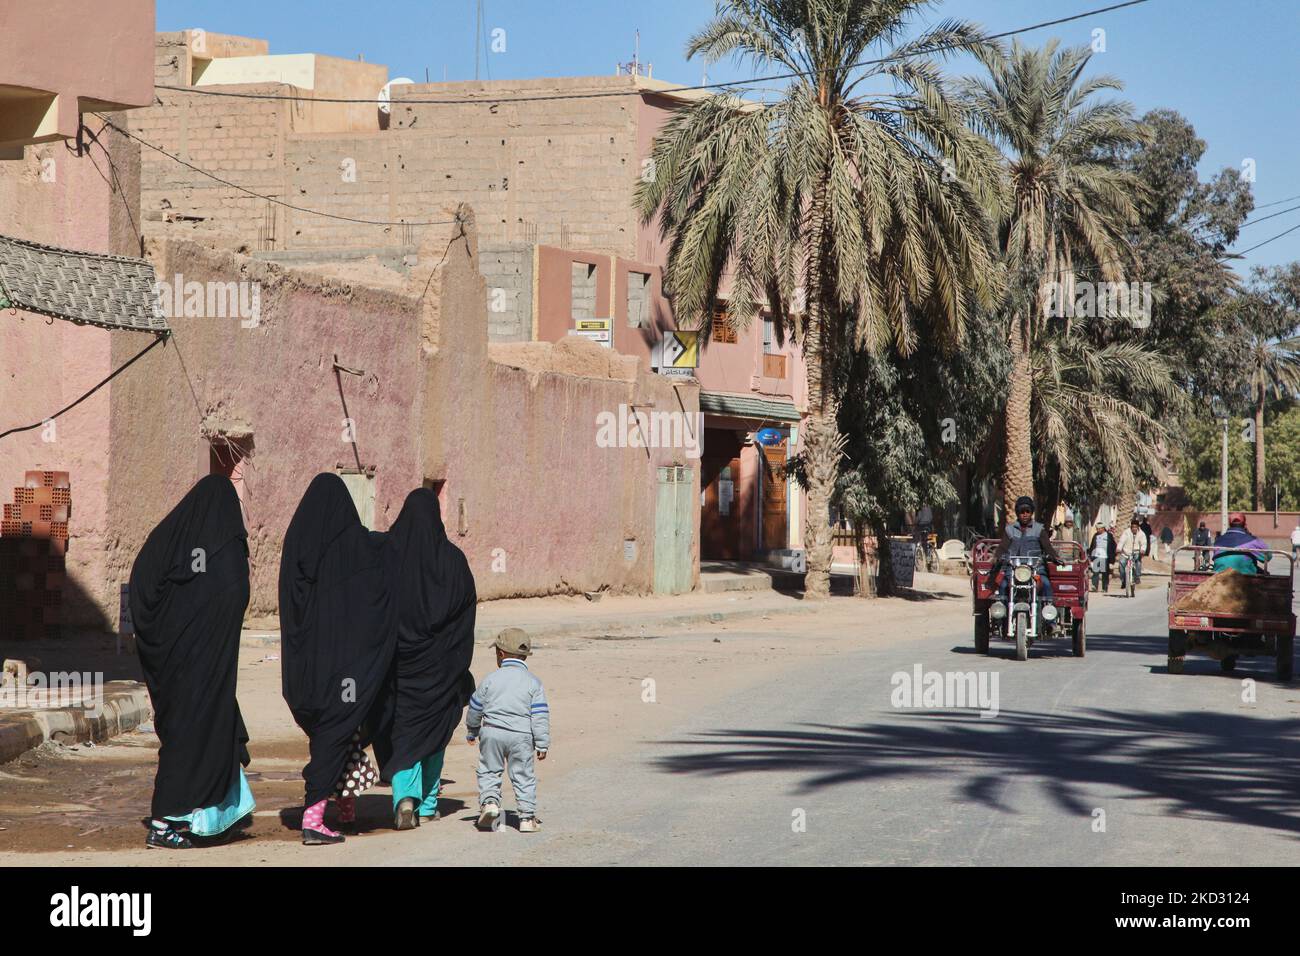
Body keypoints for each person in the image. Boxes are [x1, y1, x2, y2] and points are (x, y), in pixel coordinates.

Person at [129, 475, 255, 850]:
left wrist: (160, 640)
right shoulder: (225, 553)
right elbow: (234, 599)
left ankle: (213, 816)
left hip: (176, 668)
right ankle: (163, 821)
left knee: (211, 732)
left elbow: (143, 586)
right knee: (194, 738)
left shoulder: (170, 540)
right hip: (207, 671)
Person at [279, 474, 396, 846]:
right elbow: (380, 576)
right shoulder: (354, 546)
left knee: (335, 733)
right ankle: (314, 819)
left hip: (306, 666)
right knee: (338, 731)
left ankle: (345, 808)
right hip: (347, 668)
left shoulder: (297, 545)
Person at [373, 488, 477, 831]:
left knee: (403, 733)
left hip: (400, 667)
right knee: (435, 732)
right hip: (442, 669)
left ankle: (405, 798)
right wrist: (457, 662)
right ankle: (429, 803)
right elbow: (466, 616)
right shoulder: (454, 561)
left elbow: (374, 607)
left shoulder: (388, 556)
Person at [466, 628, 550, 833]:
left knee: (489, 769)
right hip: (522, 736)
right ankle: (527, 819)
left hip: (492, 732)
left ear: (501, 654)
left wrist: (472, 730)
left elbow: (475, 708)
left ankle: (491, 804)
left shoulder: (490, 679)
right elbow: (539, 716)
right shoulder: (534, 682)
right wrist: (542, 743)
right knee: (523, 775)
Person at [986, 496, 1062, 607]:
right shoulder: (1009, 529)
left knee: (1046, 584)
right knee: (1003, 586)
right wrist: (996, 557)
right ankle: (1002, 619)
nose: (1025, 514)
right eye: (1022, 512)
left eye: (1028, 511)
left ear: (1031, 512)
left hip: (1035, 570)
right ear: (1017, 513)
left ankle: (1050, 619)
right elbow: (1002, 547)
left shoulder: (1039, 529)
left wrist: (1056, 557)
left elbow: (1047, 547)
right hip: (1013, 570)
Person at [1117, 519, 1147, 592]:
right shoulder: (1126, 532)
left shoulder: (1141, 534)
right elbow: (1121, 541)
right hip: (1126, 552)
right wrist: (1118, 548)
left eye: (1135, 527)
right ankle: (1123, 580)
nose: (1134, 528)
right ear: (1131, 527)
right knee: (1121, 563)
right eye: (1132, 527)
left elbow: (1144, 543)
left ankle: (1137, 576)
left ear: (1138, 527)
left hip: (1136, 552)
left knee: (1138, 561)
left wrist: (1142, 550)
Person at [1089, 522, 1116, 593]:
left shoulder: (1109, 536)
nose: (1097, 530)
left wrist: (1112, 561)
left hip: (1105, 557)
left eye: (1099, 529)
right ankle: (1094, 586)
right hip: (1096, 556)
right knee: (1095, 572)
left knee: (1105, 574)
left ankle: (1104, 587)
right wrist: (1091, 558)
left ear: (1103, 528)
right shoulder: (1095, 536)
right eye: (1097, 529)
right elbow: (1092, 546)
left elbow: (1113, 548)